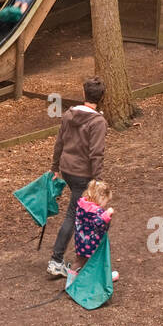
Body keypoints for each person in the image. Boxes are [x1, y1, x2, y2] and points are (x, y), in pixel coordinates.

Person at [47, 75, 108, 278]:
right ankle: (56, 260)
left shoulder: (69, 114)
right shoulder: (98, 122)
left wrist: (55, 167)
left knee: (78, 214)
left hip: (67, 170)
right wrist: (97, 180)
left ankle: (80, 259)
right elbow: (96, 153)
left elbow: (59, 142)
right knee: (74, 216)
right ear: (101, 98)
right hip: (83, 175)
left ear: (83, 94)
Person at [72, 179, 119, 282]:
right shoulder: (97, 211)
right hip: (92, 244)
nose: (105, 204)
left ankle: (71, 282)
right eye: (106, 201)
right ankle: (104, 278)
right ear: (101, 198)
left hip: (80, 240)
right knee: (99, 260)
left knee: (79, 260)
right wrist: (107, 214)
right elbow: (98, 223)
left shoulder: (81, 205)